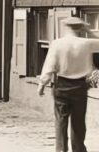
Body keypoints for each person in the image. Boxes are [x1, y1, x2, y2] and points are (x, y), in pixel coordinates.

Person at [38, 17, 99, 152]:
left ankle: (61, 149)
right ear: (80, 28)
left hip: (62, 85)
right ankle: (78, 149)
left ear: (66, 27)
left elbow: (50, 66)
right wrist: (89, 31)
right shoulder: (86, 44)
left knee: (61, 120)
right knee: (78, 122)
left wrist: (42, 84)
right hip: (80, 87)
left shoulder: (57, 44)